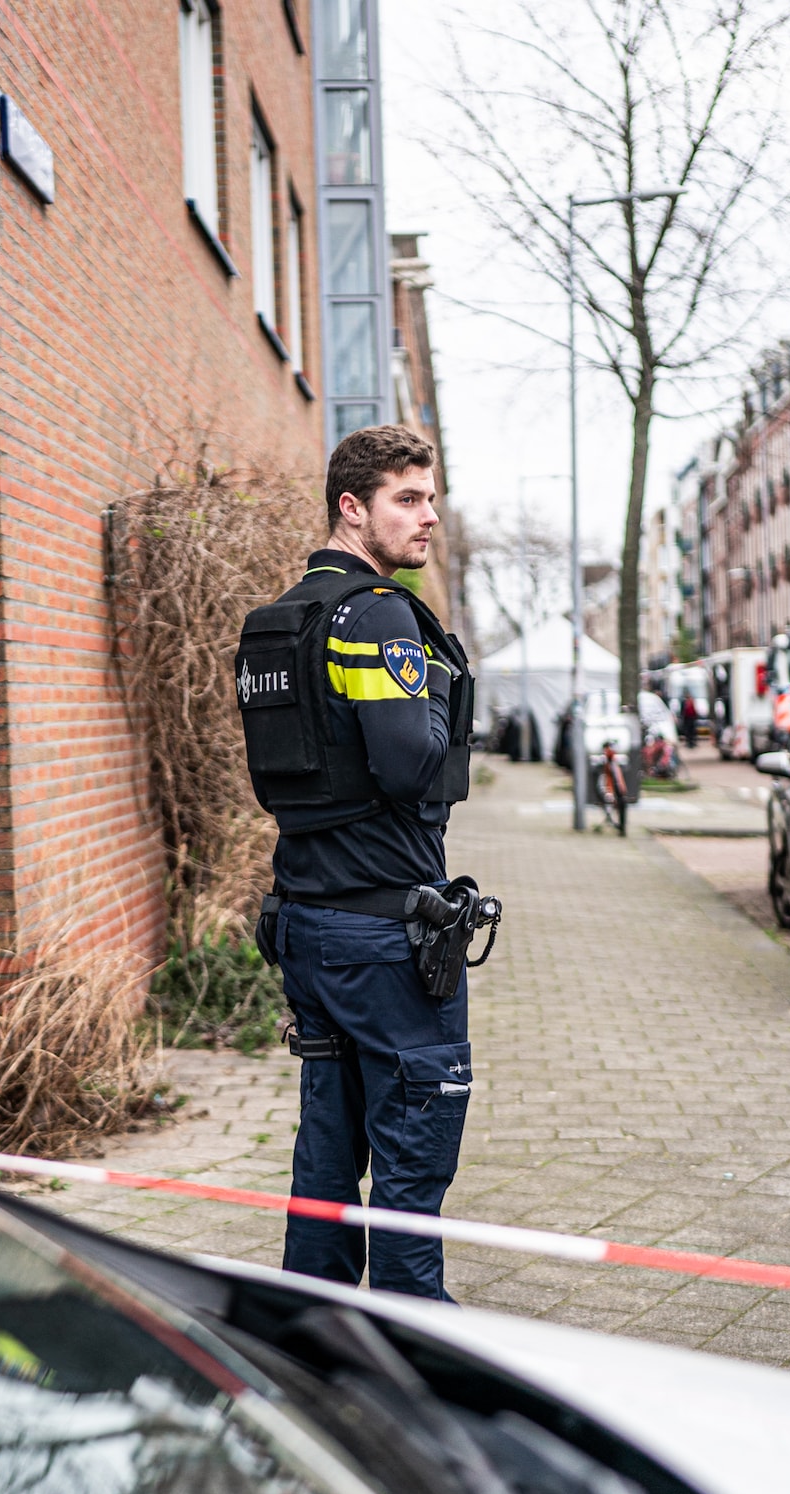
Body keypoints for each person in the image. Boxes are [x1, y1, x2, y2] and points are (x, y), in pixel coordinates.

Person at [235, 425, 476, 1300]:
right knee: (414, 1148)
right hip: (383, 940)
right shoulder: (376, 617)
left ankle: (315, 1333)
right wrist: (442, 695)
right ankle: (414, 1343)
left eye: (431, 498)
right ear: (352, 506)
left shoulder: (281, 622)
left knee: (328, 1156)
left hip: (305, 922)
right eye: (408, 499)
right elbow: (411, 763)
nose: (429, 518)